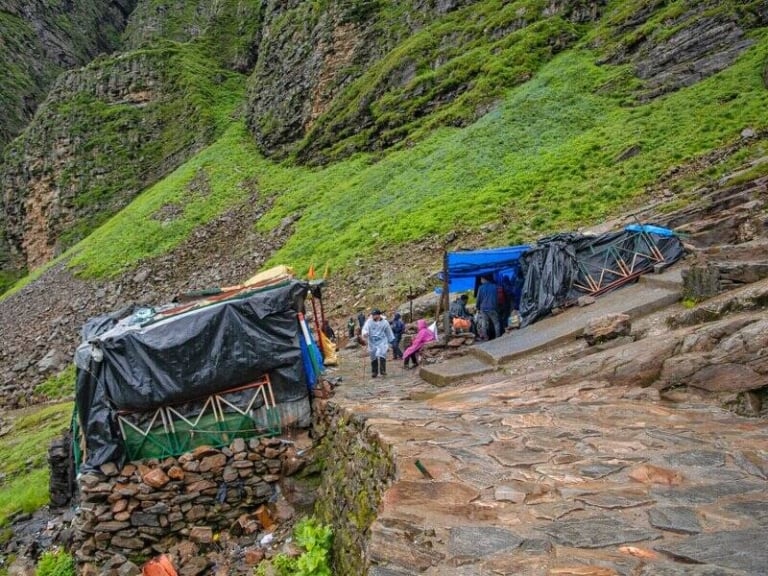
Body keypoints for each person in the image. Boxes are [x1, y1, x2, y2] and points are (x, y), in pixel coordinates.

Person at [360, 308, 394, 378]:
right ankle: (374, 372)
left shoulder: (385, 322)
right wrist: (365, 333)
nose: (373, 316)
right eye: (372, 315)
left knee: (382, 354)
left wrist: (391, 341)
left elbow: (388, 331)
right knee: (373, 356)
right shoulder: (369, 321)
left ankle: (382, 371)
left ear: (378, 315)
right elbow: (365, 328)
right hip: (372, 341)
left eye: (374, 315)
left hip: (382, 341)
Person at [476, 276, 502, 340]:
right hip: (492, 307)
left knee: (484, 323)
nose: (481, 281)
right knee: (496, 323)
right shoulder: (494, 286)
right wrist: (497, 306)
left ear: (484, 279)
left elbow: (478, 298)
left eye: (481, 279)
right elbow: (497, 298)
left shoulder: (480, 288)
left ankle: (485, 337)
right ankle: (498, 337)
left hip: (483, 308)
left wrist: (477, 307)